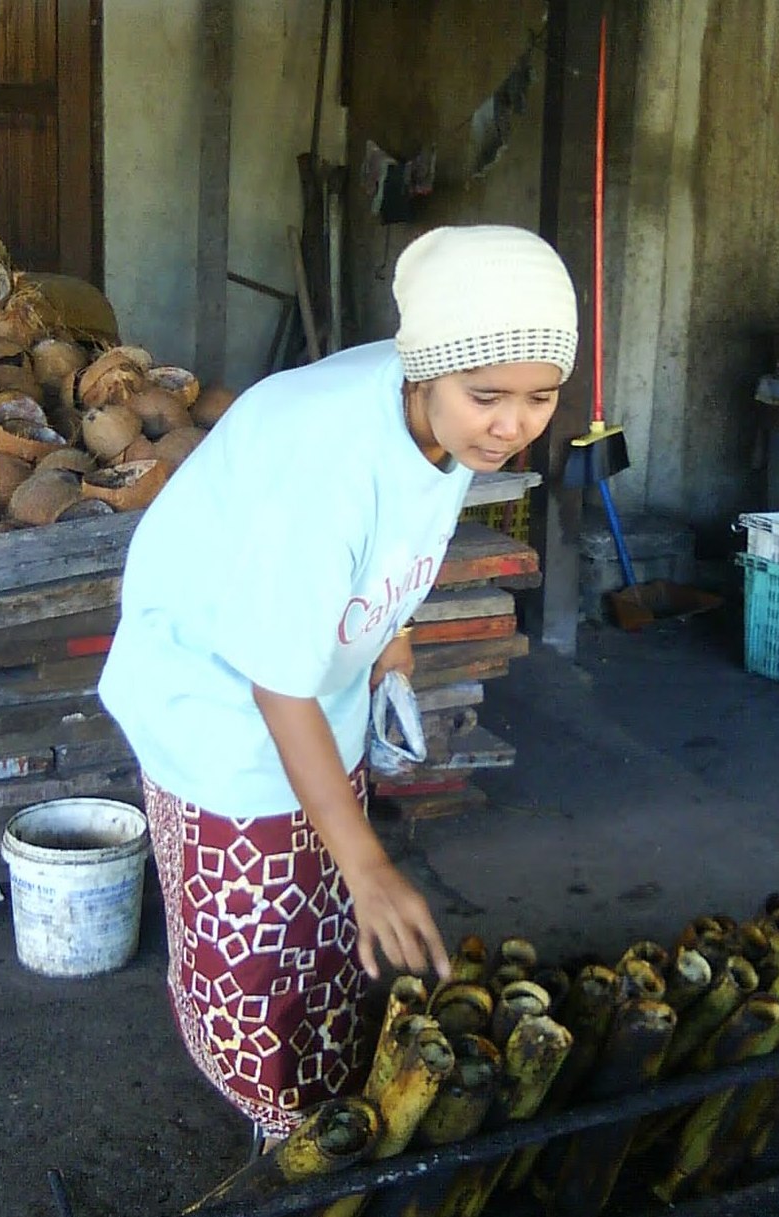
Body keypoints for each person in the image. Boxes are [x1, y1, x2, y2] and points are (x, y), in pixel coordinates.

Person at [98, 224, 578, 1150]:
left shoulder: (440, 415)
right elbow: (278, 689)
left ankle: (321, 1076)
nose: (512, 424)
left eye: (540, 397)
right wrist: (367, 862)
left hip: (309, 690)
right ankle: (282, 1133)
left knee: (327, 920)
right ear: (428, 371)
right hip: (221, 707)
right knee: (262, 942)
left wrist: (388, 640)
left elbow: (397, 532)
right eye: (488, 398)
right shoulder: (319, 467)